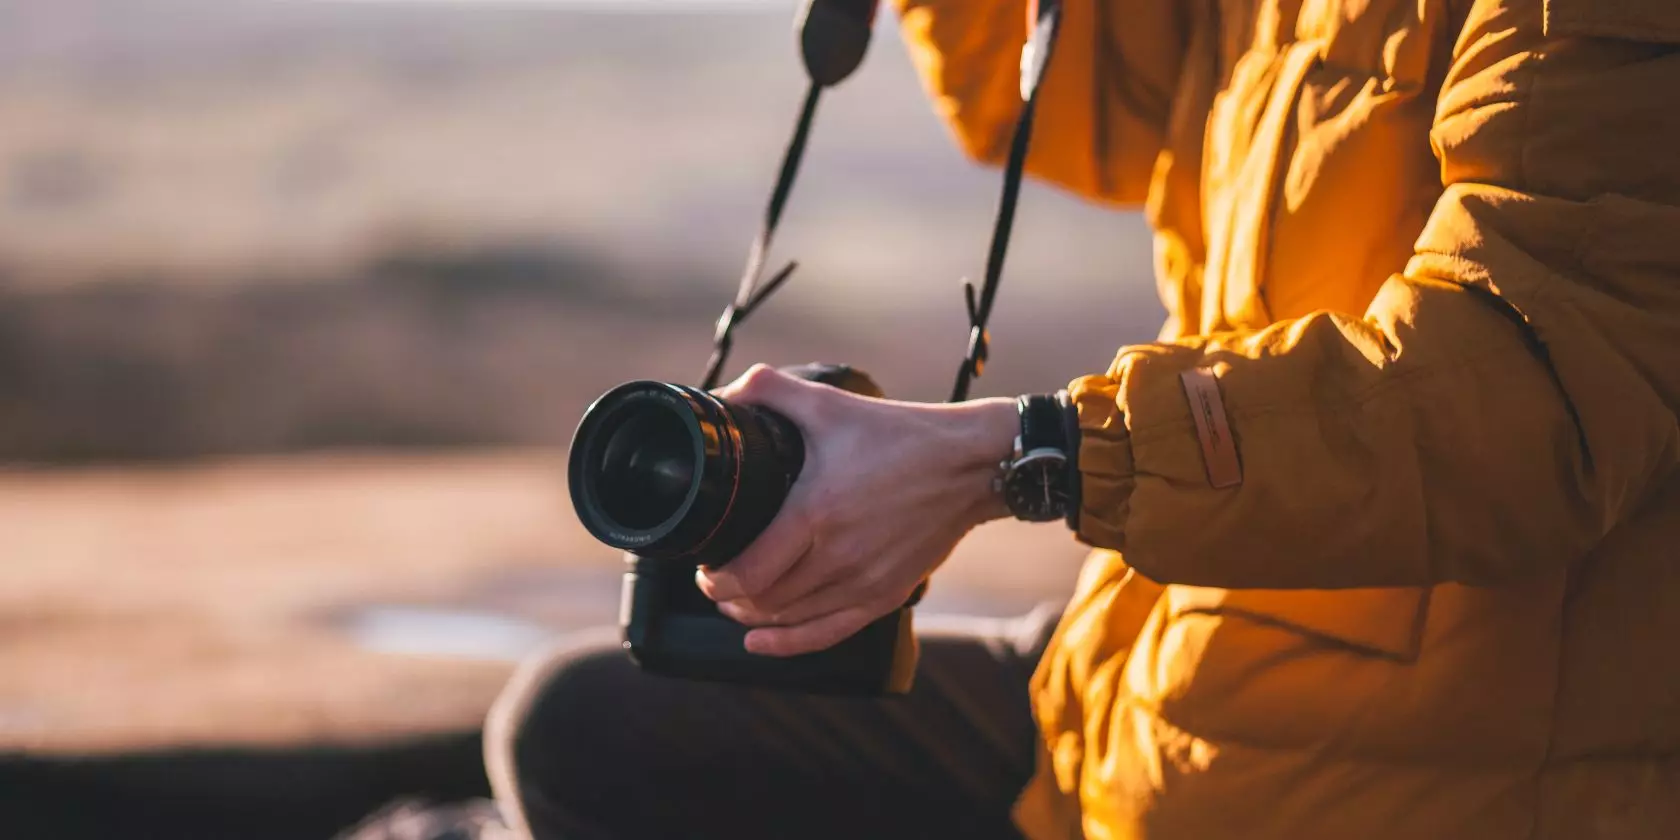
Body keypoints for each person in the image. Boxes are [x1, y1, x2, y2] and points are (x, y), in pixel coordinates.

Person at [485, 0, 1680, 837]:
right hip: (1170, 674)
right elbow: (1086, 109)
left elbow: (1529, 399)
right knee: (587, 730)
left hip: (1401, 771)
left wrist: (1026, 457)